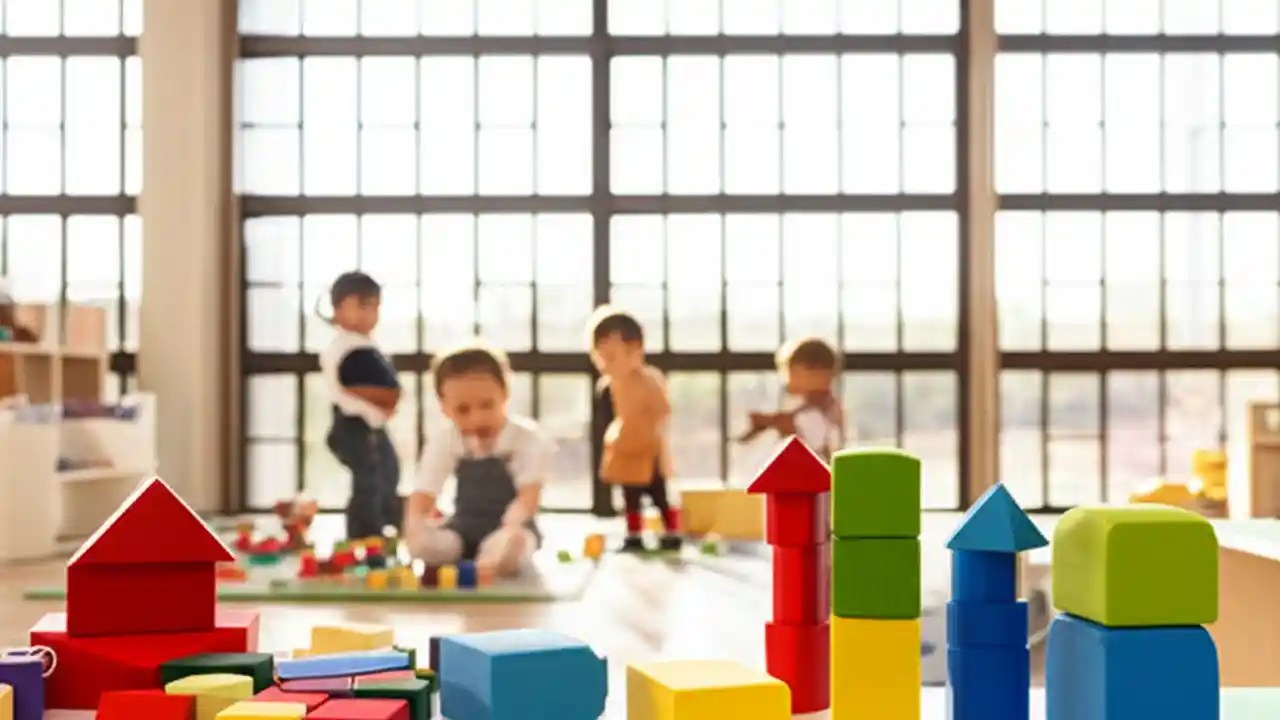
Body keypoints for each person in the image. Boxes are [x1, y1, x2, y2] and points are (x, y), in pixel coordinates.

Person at [404, 343, 555, 576]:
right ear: (444, 407)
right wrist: (415, 524)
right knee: (428, 543)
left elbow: (529, 496)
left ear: (505, 393)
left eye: (487, 405)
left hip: (510, 526)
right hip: (462, 528)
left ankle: (498, 557)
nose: (477, 419)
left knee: (515, 542)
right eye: (463, 410)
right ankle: (457, 553)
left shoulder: (528, 439)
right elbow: (425, 490)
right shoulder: (445, 440)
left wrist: (513, 523)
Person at [588, 306, 680, 552]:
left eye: (613, 357)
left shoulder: (648, 380)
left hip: (649, 450)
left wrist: (649, 435)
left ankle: (672, 532)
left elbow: (662, 410)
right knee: (630, 497)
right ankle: (634, 535)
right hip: (626, 449)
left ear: (636, 350)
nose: (606, 365)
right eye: (601, 358)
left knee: (659, 495)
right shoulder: (611, 385)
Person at [318, 271, 402, 541]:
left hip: (371, 426)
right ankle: (364, 537)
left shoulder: (364, 345)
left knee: (387, 475)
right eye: (363, 306)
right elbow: (362, 385)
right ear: (339, 308)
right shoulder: (349, 347)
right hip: (354, 425)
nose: (370, 314)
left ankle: (385, 526)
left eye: (375, 307)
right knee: (369, 482)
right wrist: (389, 396)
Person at [738, 336, 845, 461]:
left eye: (795, 374)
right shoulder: (793, 404)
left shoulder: (825, 411)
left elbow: (821, 449)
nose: (790, 382)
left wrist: (793, 432)